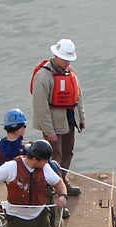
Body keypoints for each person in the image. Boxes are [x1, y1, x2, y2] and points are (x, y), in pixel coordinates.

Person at [0, 108, 75, 227]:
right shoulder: (30, 149)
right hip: (39, 193)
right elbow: (48, 168)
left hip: (17, 195)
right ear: (20, 128)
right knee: (54, 223)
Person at [30, 38, 85, 196]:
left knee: (68, 151)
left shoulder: (70, 72)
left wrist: (81, 117)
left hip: (69, 120)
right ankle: (54, 186)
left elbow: (78, 95)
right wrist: (49, 130)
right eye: (65, 59)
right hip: (53, 123)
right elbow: (40, 107)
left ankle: (62, 179)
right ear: (56, 56)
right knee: (54, 155)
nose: (68, 62)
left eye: (69, 59)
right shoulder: (43, 77)